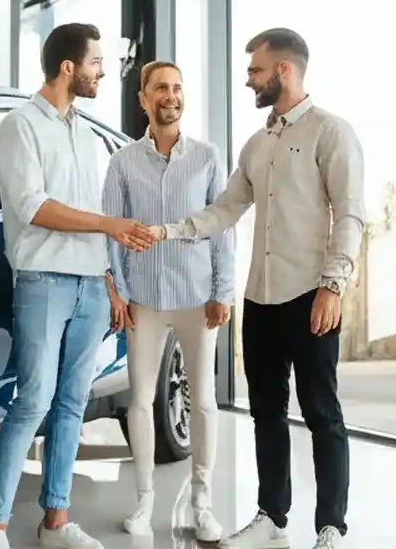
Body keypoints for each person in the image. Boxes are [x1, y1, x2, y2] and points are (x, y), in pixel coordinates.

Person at [149, 28, 364, 549]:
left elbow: (351, 214)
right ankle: (272, 516)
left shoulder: (331, 132)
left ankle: (330, 526)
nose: (249, 81)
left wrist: (333, 286)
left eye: (255, 71)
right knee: (265, 412)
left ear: (283, 70)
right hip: (260, 298)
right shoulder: (256, 144)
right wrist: (169, 231)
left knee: (321, 412)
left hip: (311, 295)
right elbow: (226, 209)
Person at [0, 22, 158, 549]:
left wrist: (110, 281)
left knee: (72, 405)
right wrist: (109, 226)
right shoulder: (20, 126)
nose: (102, 71)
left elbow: (92, 211)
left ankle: (55, 522)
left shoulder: (85, 134)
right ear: (68, 67)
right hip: (43, 281)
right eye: (96, 62)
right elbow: (32, 206)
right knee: (33, 401)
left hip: (91, 287)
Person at [101, 60, 233, 542]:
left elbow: (222, 227)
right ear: (143, 99)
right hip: (145, 299)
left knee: (204, 402)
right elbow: (111, 233)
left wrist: (223, 291)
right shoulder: (122, 162)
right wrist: (118, 290)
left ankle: (202, 503)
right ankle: (143, 502)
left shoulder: (208, 158)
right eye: (160, 88)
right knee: (140, 401)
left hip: (198, 298)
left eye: (177, 88)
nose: (171, 96)